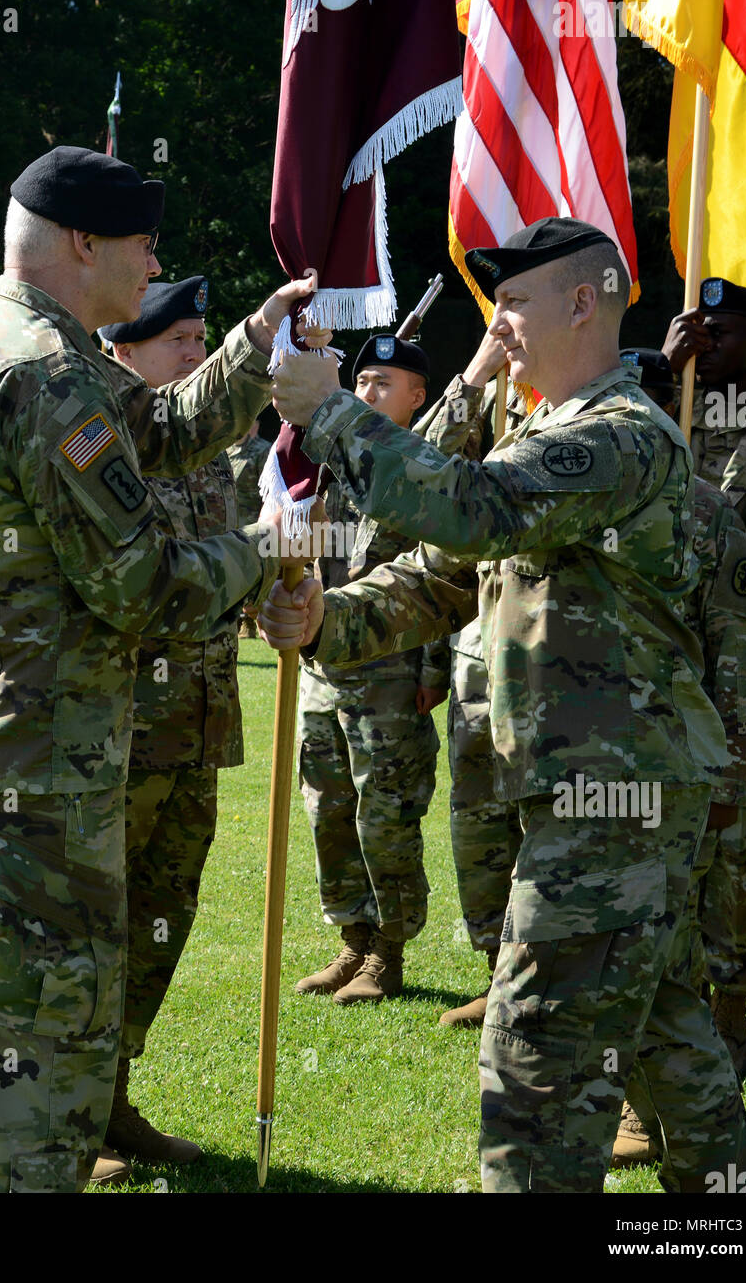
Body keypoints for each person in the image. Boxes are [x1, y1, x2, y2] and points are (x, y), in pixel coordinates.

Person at [259, 217, 746, 1193]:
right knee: (660, 1039)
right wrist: (326, 620)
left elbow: (470, 509)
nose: (501, 324)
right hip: (596, 790)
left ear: (582, 302)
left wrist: (328, 414)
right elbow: (449, 573)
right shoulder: (544, 431)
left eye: (516, 300)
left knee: (535, 1058)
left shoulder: (618, 440)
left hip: (614, 796)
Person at [0, 144, 320, 1194]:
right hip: (29, 776)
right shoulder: (43, 373)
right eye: (142, 241)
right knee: (47, 1075)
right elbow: (146, 586)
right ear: (83, 241)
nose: (153, 258)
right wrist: (263, 545)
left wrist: (258, 341)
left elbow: (159, 431)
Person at [90, 275, 246, 1182]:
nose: (198, 354)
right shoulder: (102, 438)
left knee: (162, 915)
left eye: (201, 337)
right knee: (94, 926)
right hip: (118, 734)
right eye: (181, 340)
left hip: (198, 725)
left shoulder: (203, 446)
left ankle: (110, 1095)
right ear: (125, 349)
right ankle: (59, 1118)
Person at [609, 349, 746, 1167]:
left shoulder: (707, 514)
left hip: (686, 781)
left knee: (676, 957)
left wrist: (733, 779)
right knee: (640, 966)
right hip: (595, 784)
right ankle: (650, 1117)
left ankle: (697, 1136)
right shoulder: (578, 505)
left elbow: (736, 664)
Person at [662, 280, 746, 1075]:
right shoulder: (665, 406)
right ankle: (667, 996)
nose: (707, 342)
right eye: (697, 329)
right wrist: (661, 370)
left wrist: (734, 581)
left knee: (738, 832)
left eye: (725, 330)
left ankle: (732, 1005)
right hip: (672, 661)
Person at [294, 335, 449, 1004]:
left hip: (390, 671)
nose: (368, 393)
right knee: (328, 809)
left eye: (385, 382)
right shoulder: (326, 462)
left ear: (417, 397)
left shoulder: (429, 470)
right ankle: (352, 941)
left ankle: (389, 952)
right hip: (322, 666)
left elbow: (450, 572)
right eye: (361, 382)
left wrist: (434, 667)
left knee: (384, 813)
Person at [409, 375, 527, 1027]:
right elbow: (446, 561)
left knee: (540, 837)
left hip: (546, 680)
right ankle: (494, 974)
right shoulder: (483, 419)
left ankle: (537, 988)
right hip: (472, 671)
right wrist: (433, 660)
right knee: (477, 829)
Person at [228, 421, 272, 637]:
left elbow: (270, 491)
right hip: (230, 525)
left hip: (253, 523)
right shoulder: (223, 451)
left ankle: (249, 619)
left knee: (251, 573)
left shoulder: (263, 450)